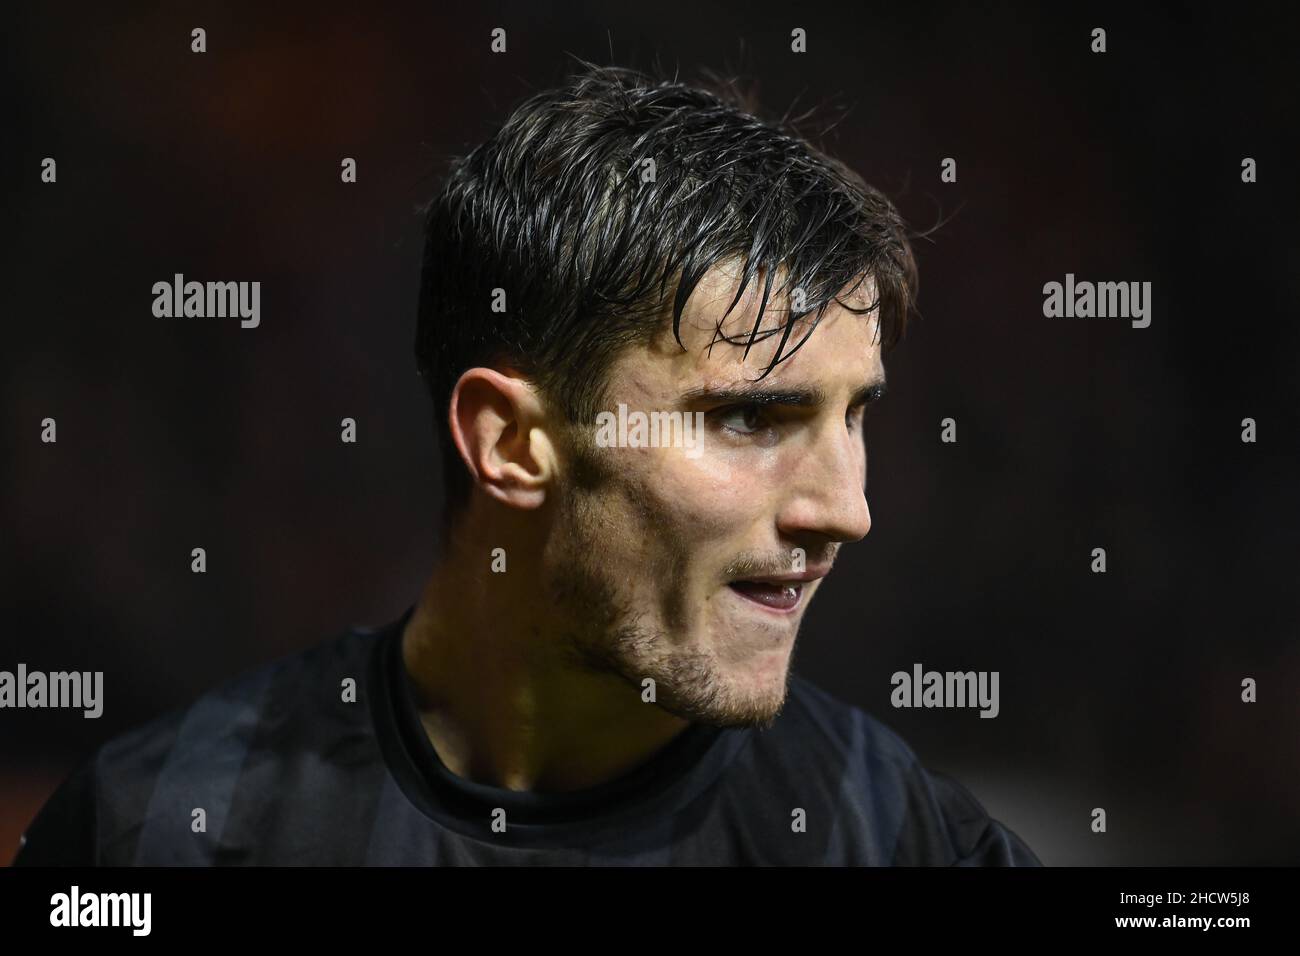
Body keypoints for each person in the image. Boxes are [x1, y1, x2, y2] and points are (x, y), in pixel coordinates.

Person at [15, 63, 1040, 866]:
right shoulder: (151, 833)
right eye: (751, 419)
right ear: (510, 442)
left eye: (852, 414)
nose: (846, 509)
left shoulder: (895, 834)